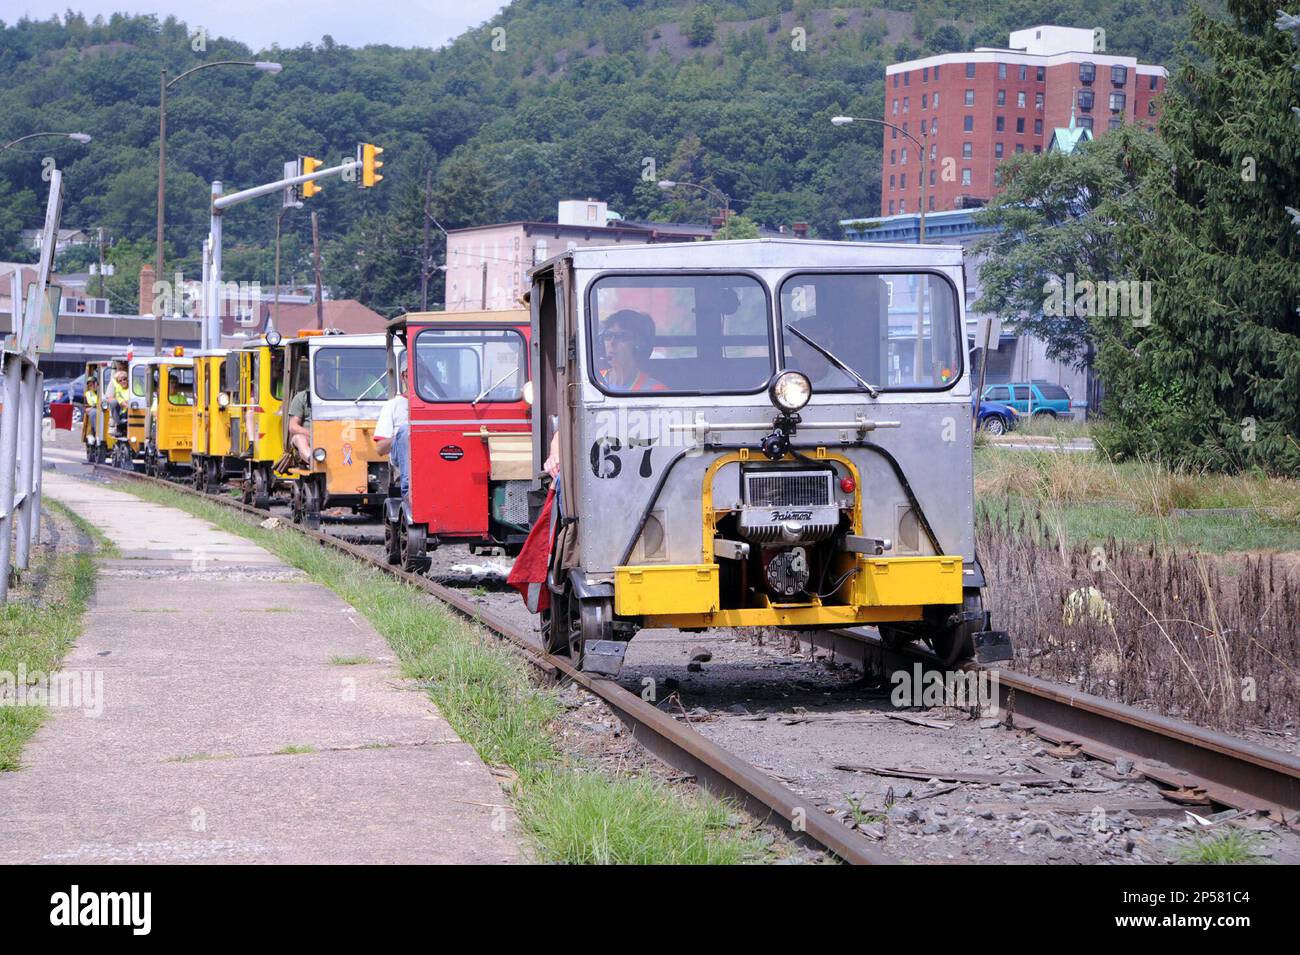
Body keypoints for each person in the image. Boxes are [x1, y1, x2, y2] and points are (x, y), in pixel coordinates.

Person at [596, 310, 668, 393]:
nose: (611, 343)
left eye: (622, 336)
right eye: (608, 335)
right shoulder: (592, 381)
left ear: (639, 345)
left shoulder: (656, 390)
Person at [374, 373, 410, 495]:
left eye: (422, 374)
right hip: (401, 455)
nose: (419, 377)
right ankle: (408, 491)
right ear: (403, 377)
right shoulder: (392, 405)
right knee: (406, 430)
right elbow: (380, 448)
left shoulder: (436, 402)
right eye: (414, 373)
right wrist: (401, 437)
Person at [286, 386, 313, 464]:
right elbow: (293, 427)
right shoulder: (302, 397)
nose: (323, 376)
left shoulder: (336, 396)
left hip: (330, 438)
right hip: (309, 439)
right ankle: (312, 460)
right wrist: (313, 434)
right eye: (319, 374)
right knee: (299, 438)